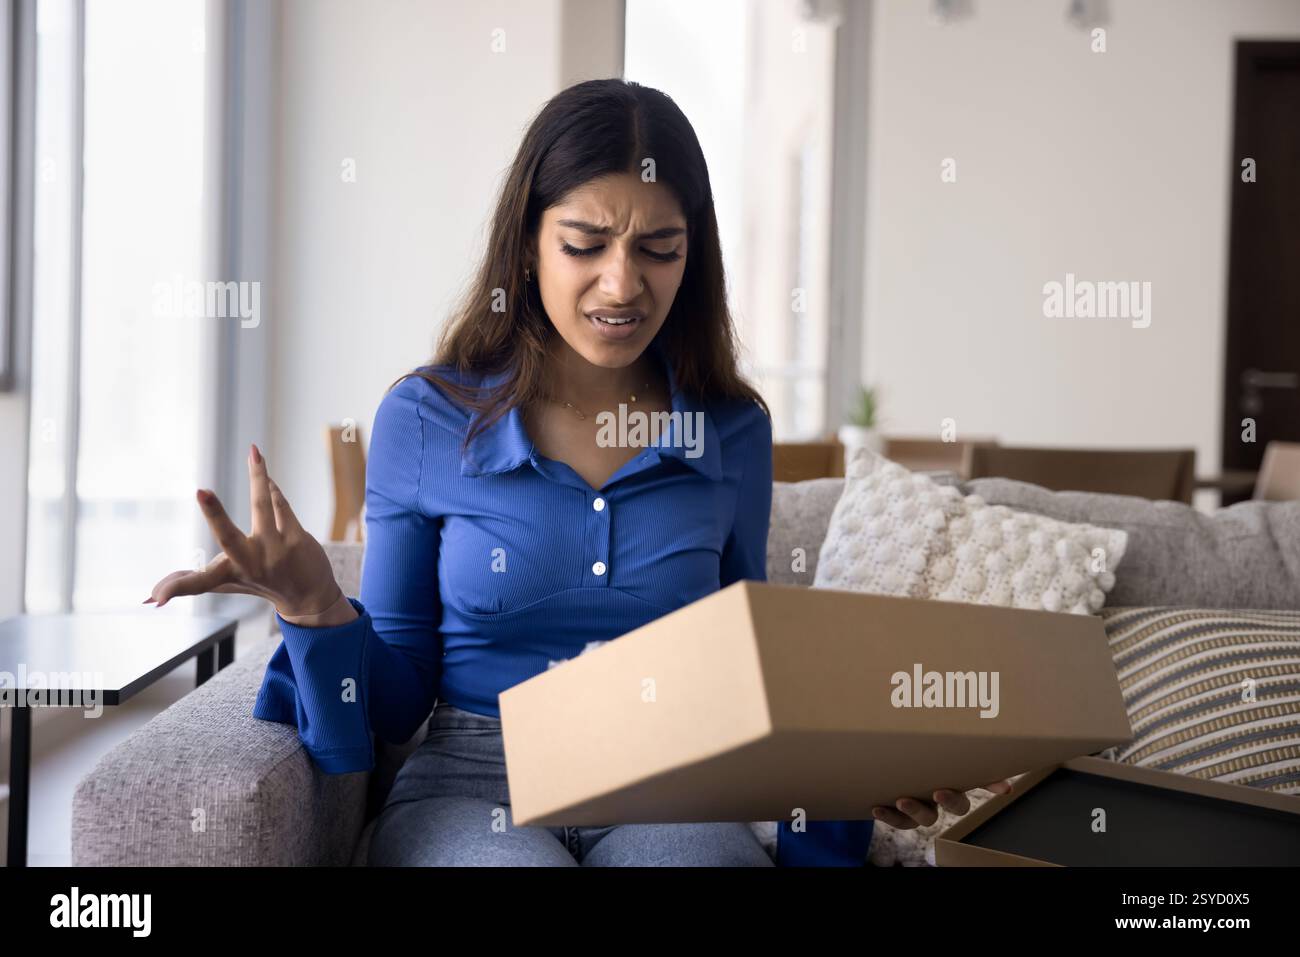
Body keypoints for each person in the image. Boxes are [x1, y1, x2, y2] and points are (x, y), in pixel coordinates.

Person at [146, 77, 1010, 866]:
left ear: (693, 254)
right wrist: (315, 606)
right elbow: (400, 701)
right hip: (474, 785)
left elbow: (747, 670)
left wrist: (843, 770)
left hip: (672, 787)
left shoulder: (732, 429)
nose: (622, 283)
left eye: (659, 248)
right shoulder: (425, 417)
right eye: (585, 243)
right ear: (528, 245)